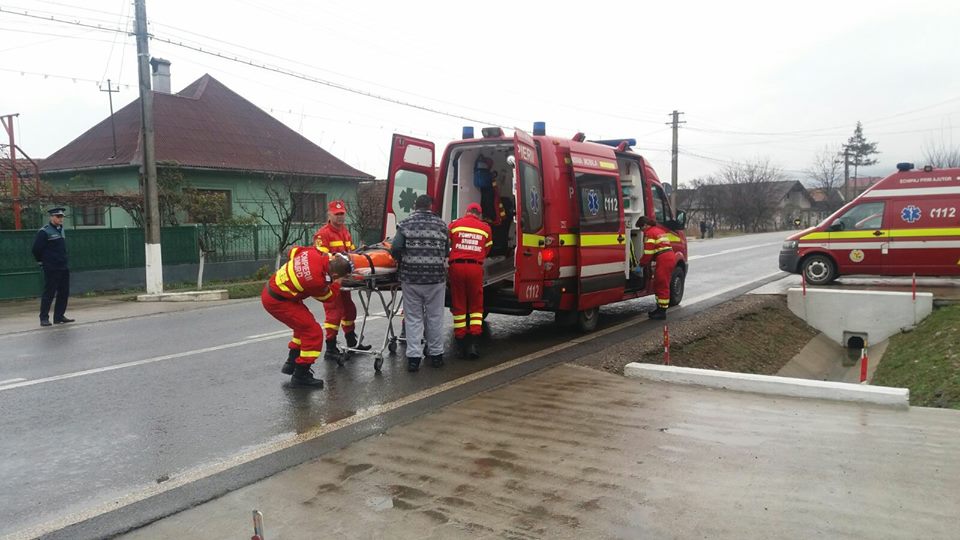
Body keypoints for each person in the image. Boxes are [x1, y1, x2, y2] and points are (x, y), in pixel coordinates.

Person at [261, 246, 352, 388]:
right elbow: (327, 297)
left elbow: (293, 251)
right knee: (313, 332)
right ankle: (301, 375)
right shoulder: (317, 281)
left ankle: (291, 363)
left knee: (302, 326)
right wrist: (337, 283)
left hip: (278, 291)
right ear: (334, 276)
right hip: (278, 301)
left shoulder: (313, 253)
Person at [390, 194, 449, 371]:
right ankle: (436, 355)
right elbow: (446, 251)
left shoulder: (405, 223)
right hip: (435, 279)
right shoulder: (442, 225)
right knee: (435, 317)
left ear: (415, 206)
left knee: (413, 318)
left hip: (411, 278)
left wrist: (402, 260)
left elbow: (396, 248)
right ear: (431, 206)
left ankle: (414, 359)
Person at [313, 199, 370, 363]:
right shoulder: (322, 234)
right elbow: (321, 257)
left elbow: (350, 251)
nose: (340, 217)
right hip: (331, 279)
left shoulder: (345, 231)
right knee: (334, 313)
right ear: (329, 215)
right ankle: (330, 348)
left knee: (349, 310)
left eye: (342, 214)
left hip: (344, 279)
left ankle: (351, 342)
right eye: (336, 214)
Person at [448, 203, 492, 359]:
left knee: (459, 303)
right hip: (475, 268)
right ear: (479, 215)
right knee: (476, 305)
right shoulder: (485, 228)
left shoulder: (455, 224)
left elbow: (449, 244)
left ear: (466, 212)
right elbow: (487, 249)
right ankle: (473, 343)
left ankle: (460, 341)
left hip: (456, 267)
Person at [32, 207, 73, 327]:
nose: (60, 219)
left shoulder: (61, 229)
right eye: (58, 217)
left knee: (64, 292)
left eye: (62, 217)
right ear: (52, 217)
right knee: (49, 293)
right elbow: (36, 249)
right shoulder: (44, 231)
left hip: (63, 266)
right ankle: (44, 318)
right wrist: (42, 262)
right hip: (51, 267)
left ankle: (59, 316)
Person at [637, 216, 677, 320]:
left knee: (662, 284)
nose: (641, 231)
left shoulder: (649, 233)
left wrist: (641, 265)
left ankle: (662, 312)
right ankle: (659, 309)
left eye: (641, 228)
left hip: (664, 258)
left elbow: (648, 253)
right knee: (659, 283)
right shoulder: (658, 230)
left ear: (645, 225)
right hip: (667, 257)